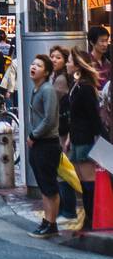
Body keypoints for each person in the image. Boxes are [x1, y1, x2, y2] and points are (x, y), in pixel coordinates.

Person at [65, 48, 104, 233]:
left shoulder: (85, 87)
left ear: (78, 64)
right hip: (78, 137)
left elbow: (93, 117)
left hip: (86, 138)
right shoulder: (77, 85)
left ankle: (91, 218)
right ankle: (89, 218)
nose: (67, 63)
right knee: (83, 180)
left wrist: (102, 141)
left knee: (88, 181)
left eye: (69, 60)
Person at [27, 54, 61, 237]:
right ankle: (47, 220)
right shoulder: (36, 89)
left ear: (46, 71)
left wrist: (34, 134)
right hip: (39, 143)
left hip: (47, 143)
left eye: (39, 65)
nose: (33, 67)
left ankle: (51, 223)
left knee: (49, 185)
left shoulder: (47, 90)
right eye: (33, 64)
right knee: (43, 183)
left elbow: (49, 119)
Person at [50, 46, 77, 221]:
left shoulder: (60, 80)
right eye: (52, 56)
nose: (54, 60)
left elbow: (51, 106)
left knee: (62, 170)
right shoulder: (60, 78)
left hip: (62, 131)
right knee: (63, 169)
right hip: (64, 129)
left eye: (59, 57)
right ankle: (66, 208)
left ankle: (67, 209)